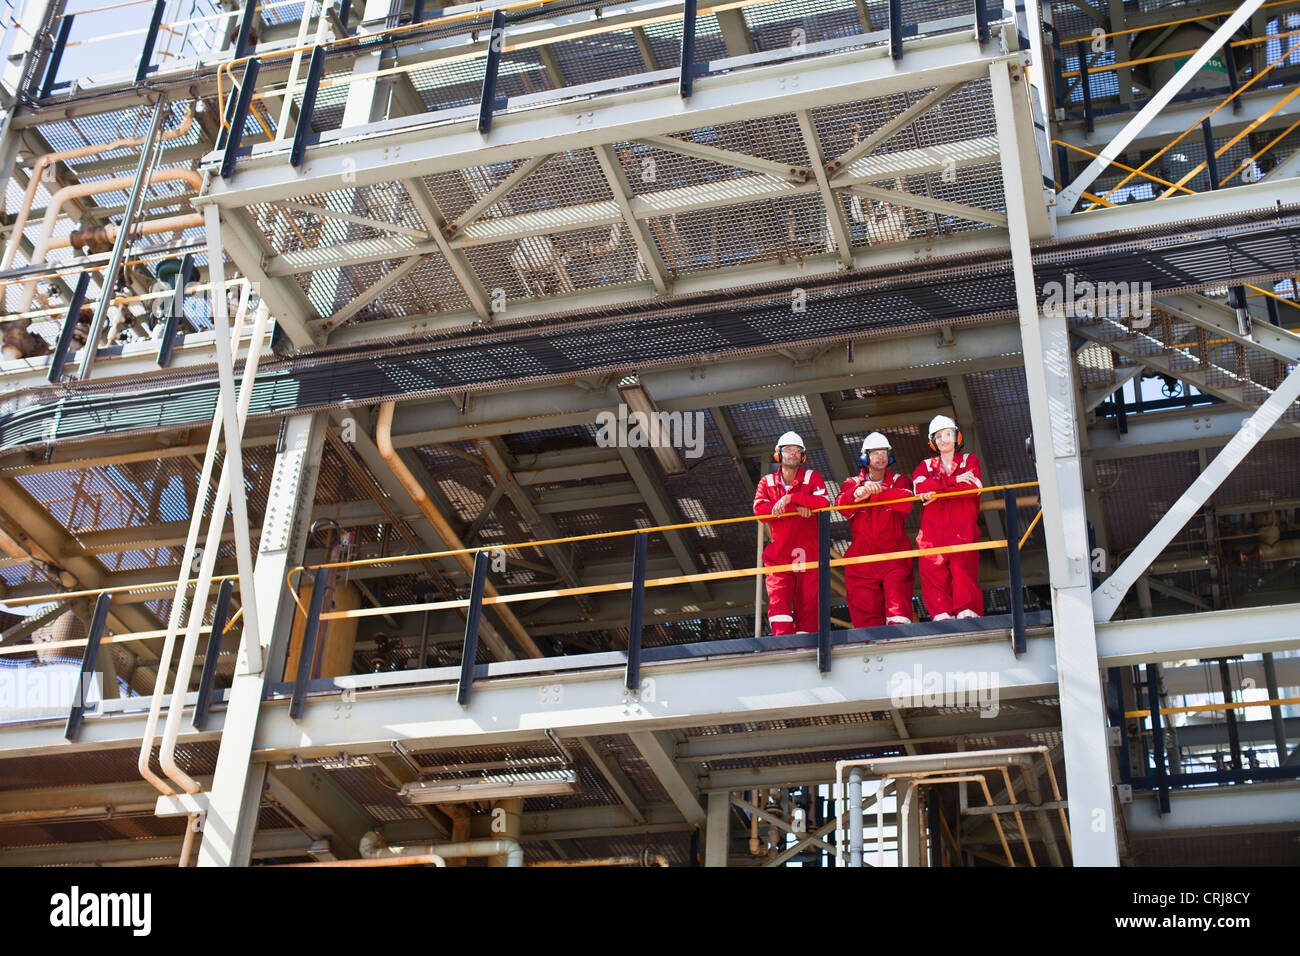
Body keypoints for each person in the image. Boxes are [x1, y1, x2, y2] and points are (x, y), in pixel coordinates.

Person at [752, 431, 829, 635]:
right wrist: (799, 506)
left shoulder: (813, 477)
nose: (792, 454)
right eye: (788, 450)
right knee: (778, 601)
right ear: (778, 454)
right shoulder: (766, 482)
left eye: (797, 450)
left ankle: (807, 648)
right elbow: (760, 512)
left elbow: (824, 503)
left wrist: (790, 499)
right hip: (779, 555)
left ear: (802, 456)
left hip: (809, 553)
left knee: (810, 604)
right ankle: (782, 646)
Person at [836, 432, 914, 627]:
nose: (881, 456)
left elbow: (907, 502)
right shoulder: (851, 483)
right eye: (875, 452)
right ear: (865, 457)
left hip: (894, 555)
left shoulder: (900, 480)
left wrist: (877, 493)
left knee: (898, 617)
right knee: (866, 623)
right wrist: (858, 491)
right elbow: (841, 506)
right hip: (862, 559)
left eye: (884, 452)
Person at [912, 415, 984, 621]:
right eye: (939, 436)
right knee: (932, 571)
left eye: (948, 434)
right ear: (932, 442)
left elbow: (973, 488)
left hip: (962, 530)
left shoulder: (970, 460)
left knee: (963, 570)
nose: (944, 439)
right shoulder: (925, 465)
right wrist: (954, 481)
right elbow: (919, 488)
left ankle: (967, 611)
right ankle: (941, 615)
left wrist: (937, 489)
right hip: (932, 533)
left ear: (956, 436)